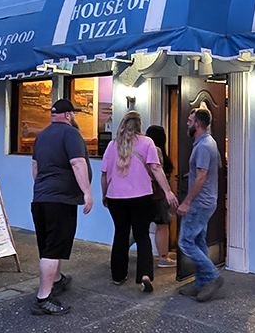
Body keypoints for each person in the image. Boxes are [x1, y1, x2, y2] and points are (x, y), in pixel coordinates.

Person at [101, 112, 178, 292]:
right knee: (142, 235)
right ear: (139, 126)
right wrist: (168, 191)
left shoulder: (112, 145)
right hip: (141, 197)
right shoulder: (147, 142)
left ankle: (118, 276)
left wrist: (104, 194)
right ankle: (144, 275)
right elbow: (156, 168)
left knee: (120, 234)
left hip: (115, 197)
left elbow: (104, 175)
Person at [31, 98, 93, 316]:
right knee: (53, 249)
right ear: (68, 115)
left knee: (49, 245)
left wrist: (43, 188)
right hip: (61, 201)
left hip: (41, 199)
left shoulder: (41, 136)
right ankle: (43, 299)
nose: (74, 116)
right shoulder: (71, 134)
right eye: (73, 113)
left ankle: (57, 280)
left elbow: (35, 166)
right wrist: (87, 192)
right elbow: (77, 162)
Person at [177, 107, 223, 302]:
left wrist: (187, 201)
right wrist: (194, 174)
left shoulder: (203, 146)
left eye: (190, 120)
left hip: (199, 203)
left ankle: (213, 276)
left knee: (185, 242)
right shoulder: (209, 142)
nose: (187, 122)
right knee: (198, 241)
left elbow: (202, 176)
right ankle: (200, 284)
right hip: (207, 200)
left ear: (197, 124)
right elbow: (217, 165)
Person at [145, 124, 175, 267]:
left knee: (139, 225)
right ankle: (163, 257)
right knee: (162, 224)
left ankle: (120, 252)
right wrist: (168, 191)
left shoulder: (143, 148)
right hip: (159, 193)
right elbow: (157, 170)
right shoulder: (156, 150)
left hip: (145, 192)